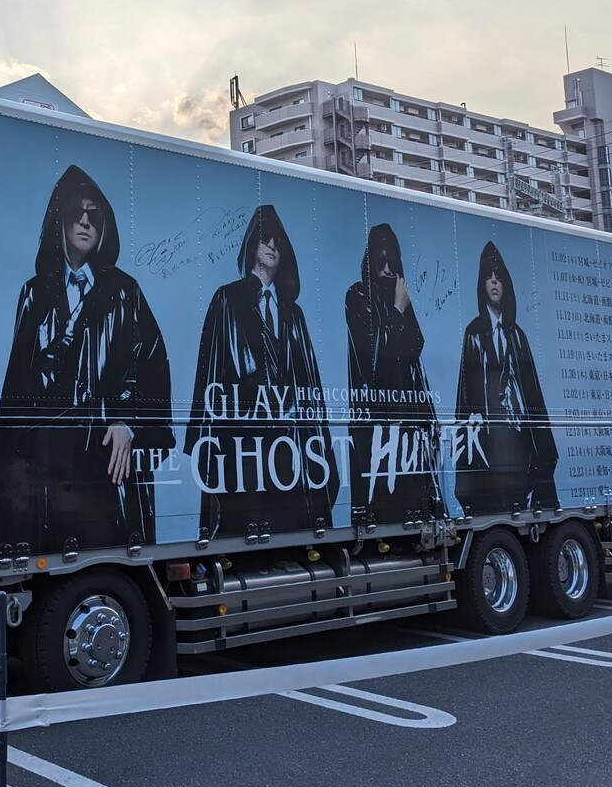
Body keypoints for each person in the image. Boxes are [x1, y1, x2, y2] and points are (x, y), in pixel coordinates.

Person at [0, 165, 174, 559]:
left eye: (94, 214)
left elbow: (151, 366)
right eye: (76, 212)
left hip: (104, 468)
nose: (85, 221)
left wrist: (128, 421)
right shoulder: (34, 294)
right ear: (60, 220)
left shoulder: (125, 292)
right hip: (48, 471)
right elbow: (18, 387)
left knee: (106, 553)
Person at [184, 205, 338, 540]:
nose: (271, 245)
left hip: (289, 447)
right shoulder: (227, 299)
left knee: (291, 524)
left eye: (278, 241)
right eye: (263, 239)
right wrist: (204, 445)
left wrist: (320, 444)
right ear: (252, 245)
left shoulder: (292, 313)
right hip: (243, 443)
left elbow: (308, 381)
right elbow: (209, 373)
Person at [344, 223, 443, 523]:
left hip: (413, 425)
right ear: (370, 262)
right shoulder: (358, 295)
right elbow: (374, 366)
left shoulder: (398, 295)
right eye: (380, 260)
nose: (387, 269)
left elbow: (415, 349)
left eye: (392, 262)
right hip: (379, 427)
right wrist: (397, 312)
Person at [453, 241, 559, 513]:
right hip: (489, 439)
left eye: (498, 277)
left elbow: (533, 394)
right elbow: (466, 394)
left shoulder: (517, 334)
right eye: (488, 278)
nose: (494, 283)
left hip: (519, 437)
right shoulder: (474, 333)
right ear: (482, 286)